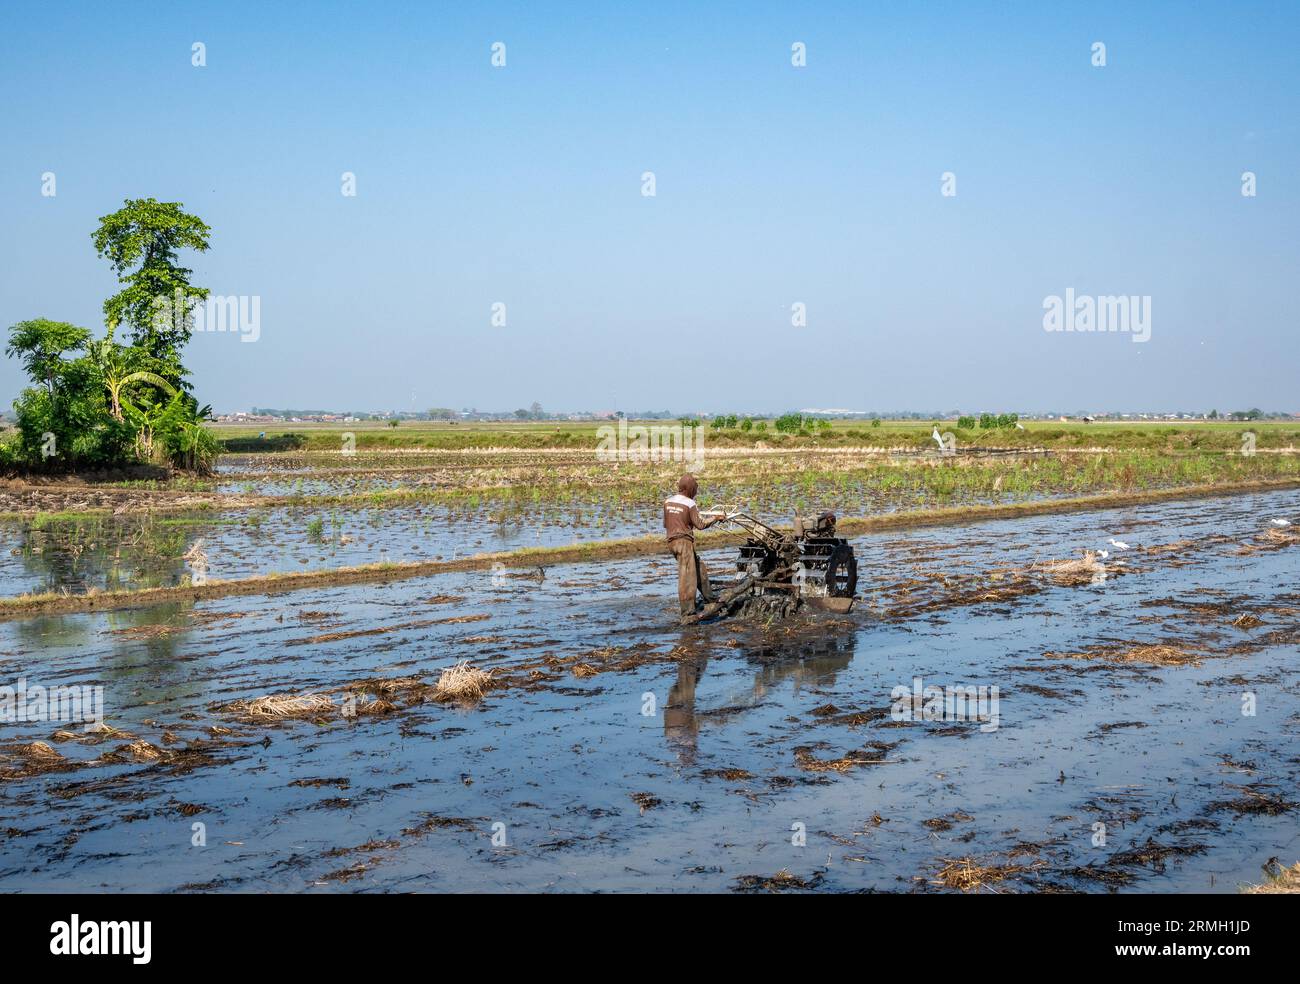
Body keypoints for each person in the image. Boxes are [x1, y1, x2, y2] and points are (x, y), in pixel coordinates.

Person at [663, 473, 722, 619]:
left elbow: (666, 524)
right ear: (689, 489)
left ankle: (710, 597)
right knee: (688, 577)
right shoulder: (690, 504)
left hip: (671, 542)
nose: (695, 492)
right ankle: (688, 612)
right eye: (695, 489)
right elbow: (701, 524)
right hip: (684, 543)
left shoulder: (668, 502)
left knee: (698, 568)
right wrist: (716, 518)